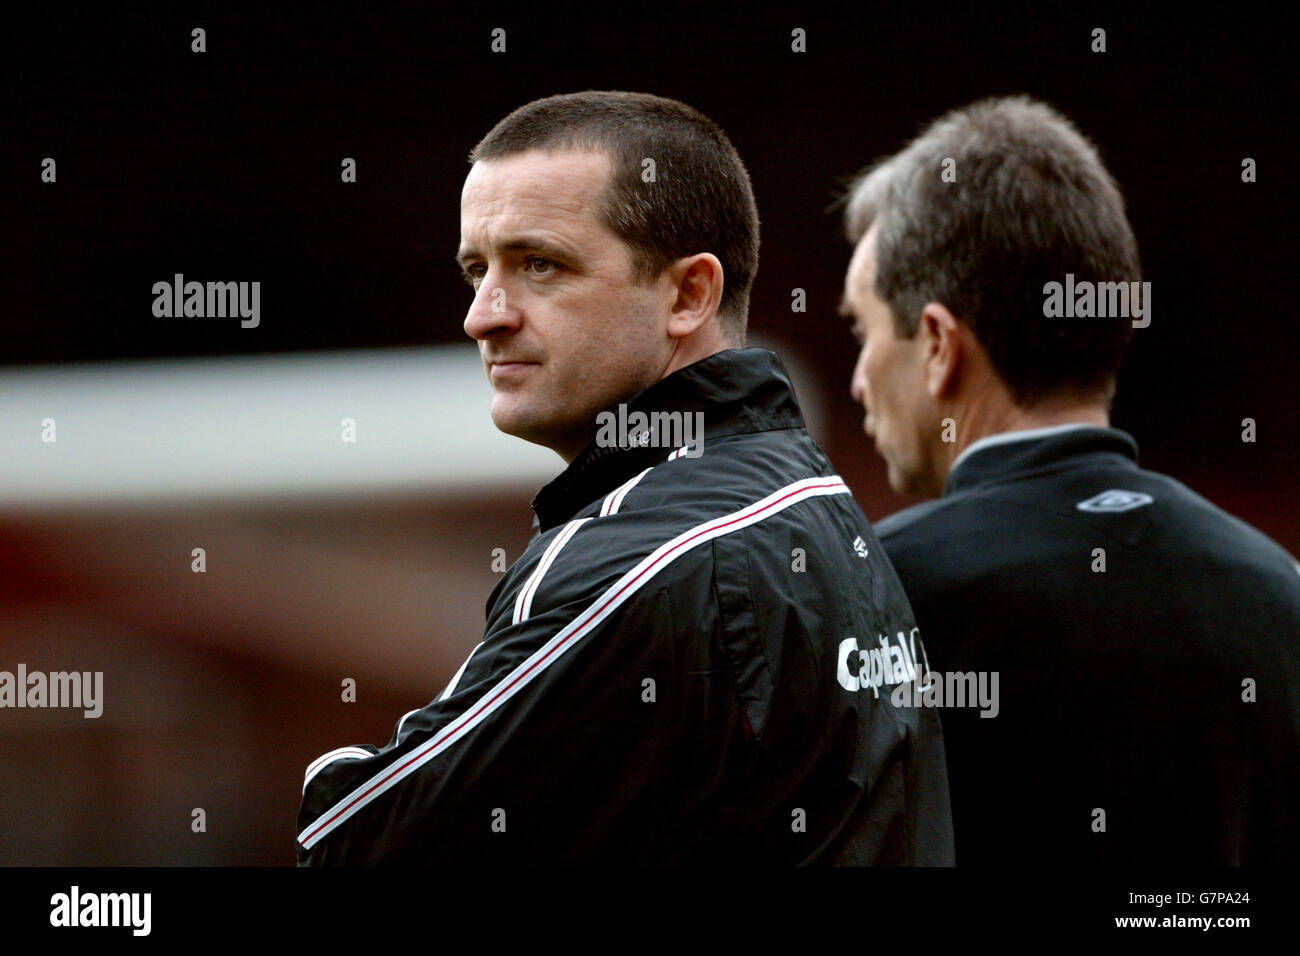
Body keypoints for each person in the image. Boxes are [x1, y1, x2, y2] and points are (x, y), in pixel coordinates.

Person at [297, 90, 954, 865]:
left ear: (688, 295)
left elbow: (353, 839)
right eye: (477, 270)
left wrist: (328, 774)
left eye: (539, 264)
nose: (484, 314)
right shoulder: (813, 501)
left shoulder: (649, 556)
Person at [837, 95, 1300, 865]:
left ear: (941, 345)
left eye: (864, 330)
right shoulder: (1281, 590)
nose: (856, 380)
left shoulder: (874, 591)